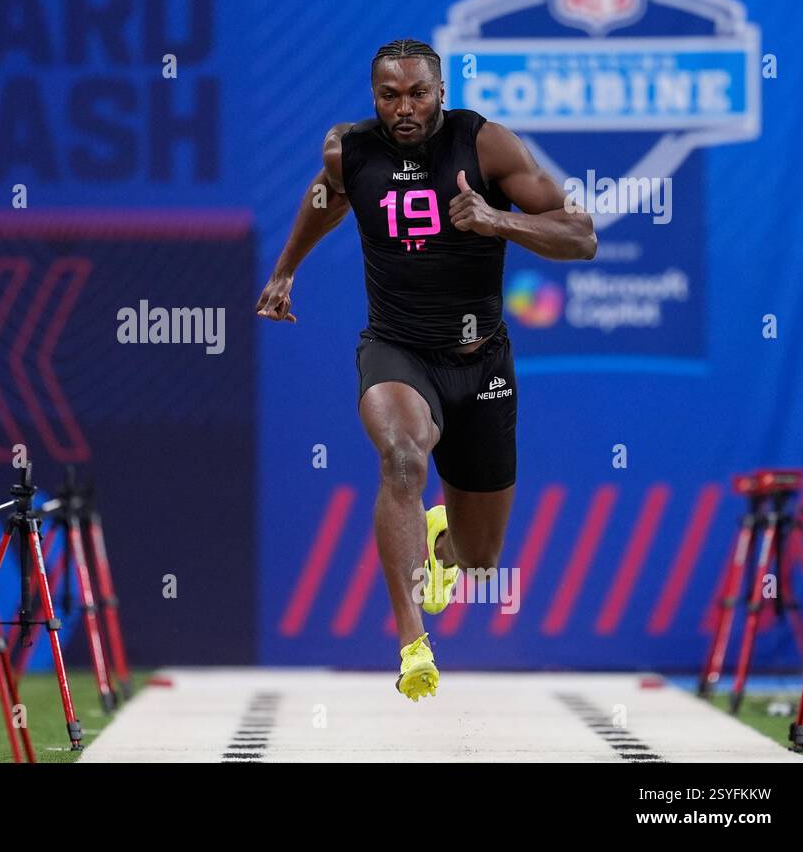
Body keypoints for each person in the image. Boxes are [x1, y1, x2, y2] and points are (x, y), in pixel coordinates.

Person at [255, 39, 596, 700]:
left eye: (418, 94)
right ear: (374, 96)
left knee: (480, 560)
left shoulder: (487, 144)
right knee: (402, 458)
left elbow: (581, 235)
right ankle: (414, 643)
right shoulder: (347, 149)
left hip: (482, 363)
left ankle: (444, 544)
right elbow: (328, 196)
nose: (404, 108)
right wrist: (285, 270)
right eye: (390, 95)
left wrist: (496, 220)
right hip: (398, 351)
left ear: (441, 91)